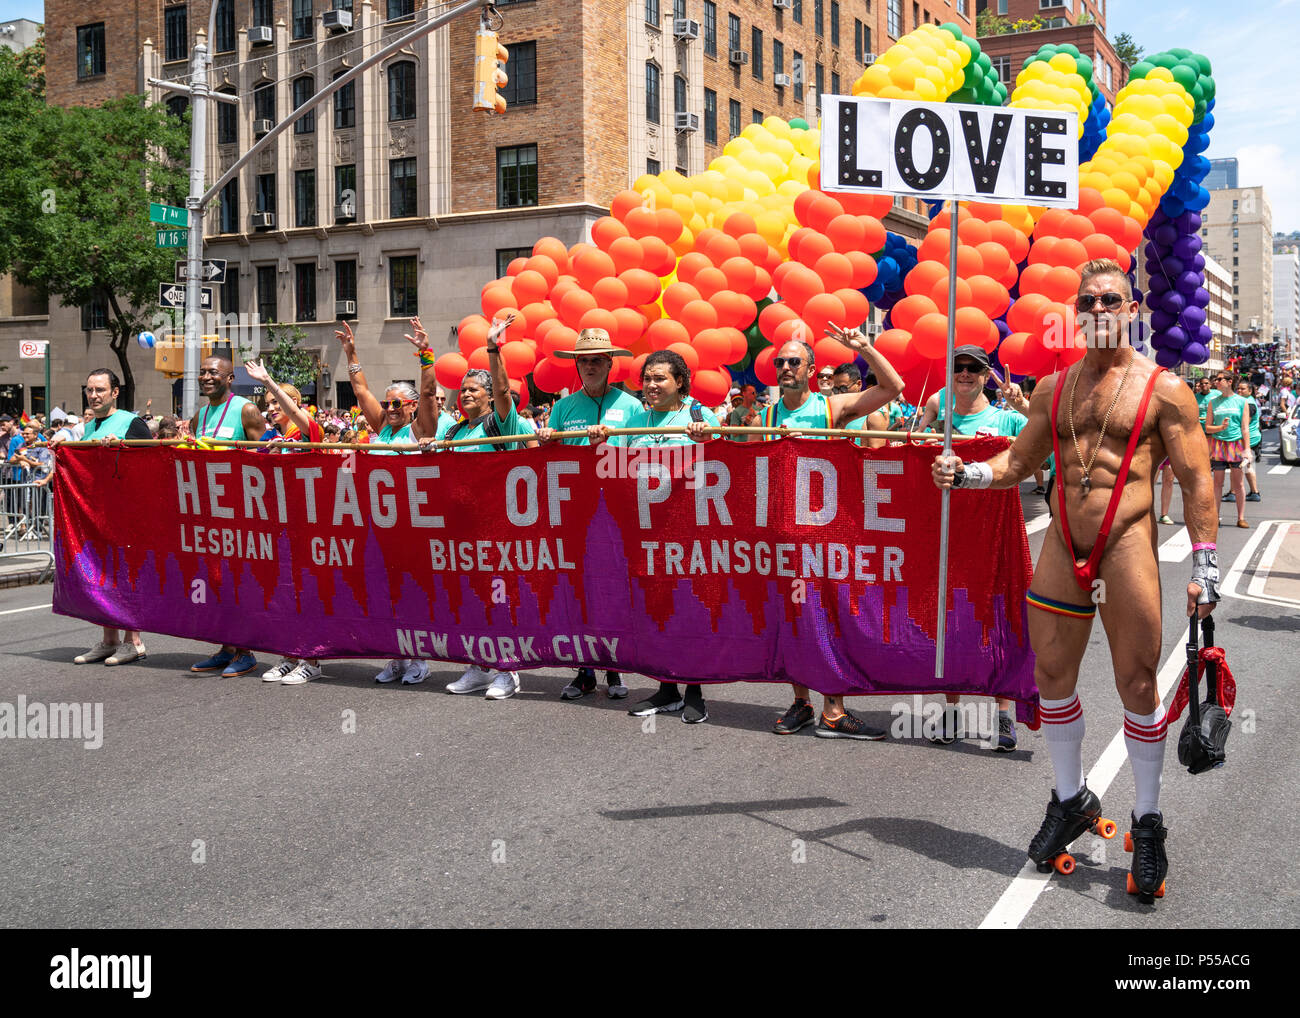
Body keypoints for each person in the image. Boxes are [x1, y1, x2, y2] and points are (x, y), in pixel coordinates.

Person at [932, 259, 1220, 904]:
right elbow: (1018, 461)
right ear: (1075, 308)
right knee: (1052, 675)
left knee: (1136, 682)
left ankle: (1147, 821)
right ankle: (1070, 799)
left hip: (1126, 545)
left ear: (1131, 308)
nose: (1097, 311)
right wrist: (970, 474)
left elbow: (1199, 479)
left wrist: (1205, 564)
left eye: (1110, 300)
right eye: (1087, 301)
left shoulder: (1166, 389)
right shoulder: (1052, 389)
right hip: (1063, 543)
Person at [761, 325, 905, 740]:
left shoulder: (832, 407)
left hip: (828, 533)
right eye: (780, 362)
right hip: (785, 532)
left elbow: (893, 387)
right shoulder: (765, 416)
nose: (785, 368)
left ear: (810, 369)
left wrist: (865, 348)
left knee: (830, 616)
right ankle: (802, 704)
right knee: (793, 619)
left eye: (793, 362)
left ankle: (835, 710)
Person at [588, 349, 717, 723]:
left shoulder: (698, 416)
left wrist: (707, 438)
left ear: (680, 382)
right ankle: (666, 688)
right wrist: (601, 443)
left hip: (689, 536)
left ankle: (694, 690)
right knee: (654, 612)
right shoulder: (637, 421)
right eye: (647, 378)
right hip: (644, 539)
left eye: (660, 378)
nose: (651, 385)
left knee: (689, 613)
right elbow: (615, 472)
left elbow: (724, 463)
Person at [914, 345, 1030, 750]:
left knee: (999, 618)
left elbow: (1051, 440)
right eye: (958, 367)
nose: (964, 374)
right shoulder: (940, 421)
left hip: (997, 533)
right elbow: (906, 454)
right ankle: (950, 712)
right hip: (949, 534)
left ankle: (1002, 715)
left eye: (973, 368)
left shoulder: (1005, 418)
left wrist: (1025, 405)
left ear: (986, 375)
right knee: (951, 621)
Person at [338, 316, 453, 686]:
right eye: (387, 402)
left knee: (412, 592)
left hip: (413, 525)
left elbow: (428, 394)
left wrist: (426, 357)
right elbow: (359, 391)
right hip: (379, 524)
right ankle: (395, 657)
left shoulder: (419, 428)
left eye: (397, 402)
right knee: (384, 591)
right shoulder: (383, 427)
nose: (389, 407)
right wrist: (352, 353)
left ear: (413, 405)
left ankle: (419, 658)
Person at [426, 313, 528, 701]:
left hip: (497, 528)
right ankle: (477, 667)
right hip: (460, 529)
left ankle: (508, 670)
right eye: (463, 390)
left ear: (488, 396)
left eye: (474, 390)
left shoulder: (499, 424)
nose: (466, 394)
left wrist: (492, 348)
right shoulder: (452, 431)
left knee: (499, 599)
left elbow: (504, 393)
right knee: (470, 600)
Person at [536, 327, 642, 702]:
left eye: (597, 360)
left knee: (612, 587)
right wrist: (547, 440)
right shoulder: (563, 408)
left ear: (610, 364)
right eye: (584, 361)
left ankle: (613, 668)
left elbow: (642, 455)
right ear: (576, 365)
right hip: (575, 512)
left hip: (615, 511)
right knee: (579, 588)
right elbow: (548, 457)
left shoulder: (632, 407)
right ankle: (584, 670)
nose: (590, 366)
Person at [187, 356, 268, 678]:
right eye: (202, 371)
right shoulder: (199, 416)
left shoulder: (246, 410)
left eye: (213, 372)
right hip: (209, 512)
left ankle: (245, 651)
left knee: (238, 581)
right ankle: (226, 647)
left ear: (230, 378)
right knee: (215, 580)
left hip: (240, 511)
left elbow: (262, 457)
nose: (206, 377)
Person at [65, 369, 152, 667]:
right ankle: (109, 640)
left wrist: (124, 449)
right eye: (89, 390)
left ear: (115, 392)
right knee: (103, 577)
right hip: (98, 518)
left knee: (127, 577)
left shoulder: (131, 422)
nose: (93, 395)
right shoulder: (89, 429)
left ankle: (134, 642)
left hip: (128, 517)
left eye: (100, 389)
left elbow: (150, 465)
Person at [1203, 371, 1250, 528]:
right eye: (1216, 379)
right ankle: (1215, 517)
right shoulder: (1213, 402)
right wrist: (1220, 427)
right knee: (1217, 483)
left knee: (1239, 484)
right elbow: (1208, 428)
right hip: (1218, 445)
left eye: (1220, 379)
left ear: (1229, 382)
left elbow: (1245, 428)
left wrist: (1247, 450)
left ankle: (1241, 517)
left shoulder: (1241, 402)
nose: (1216, 381)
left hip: (1236, 445)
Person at [832, 362, 889, 448]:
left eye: (843, 388)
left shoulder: (873, 416)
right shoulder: (833, 413)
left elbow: (876, 459)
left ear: (859, 384)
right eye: (835, 389)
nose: (839, 393)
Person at [1236, 379, 1262, 503]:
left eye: (1243, 389)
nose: (1239, 391)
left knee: (1246, 465)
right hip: (1247, 438)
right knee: (1244, 466)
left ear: (1250, 391)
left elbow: (1244, 423)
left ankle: (1254, 492)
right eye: (1238, 388)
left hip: (1249, 439)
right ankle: (1252, 492)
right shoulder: (1244, 402)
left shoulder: (1249, 404)